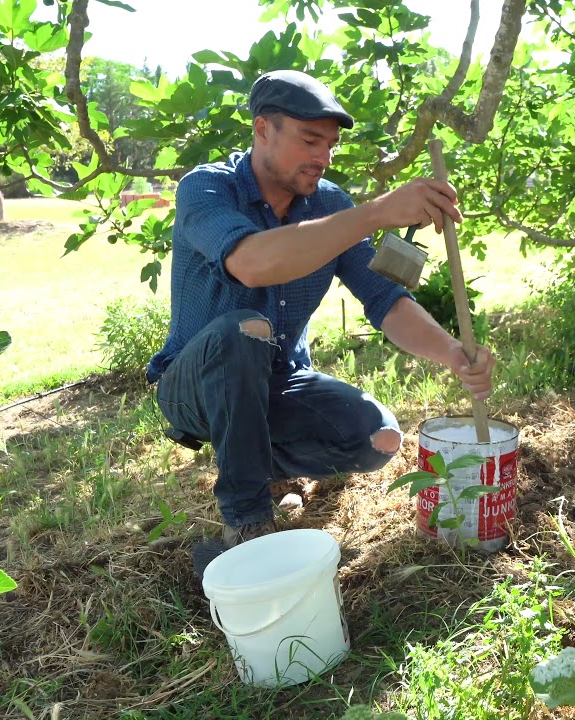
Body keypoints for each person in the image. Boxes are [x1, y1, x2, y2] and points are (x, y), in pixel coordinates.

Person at [146, 69, 495, 549]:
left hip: (280, 382)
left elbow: (384, 299)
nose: (323, 158)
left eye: (329, 145)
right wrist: (376, 213)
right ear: (262, 128)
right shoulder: (206, 188)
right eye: (310, 140)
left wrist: (454, 353)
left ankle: (263, 465)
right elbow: (252, 263)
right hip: (195, 389)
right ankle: (247, 524)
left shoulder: (329, 204)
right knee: (243, 329)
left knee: (379, 439)